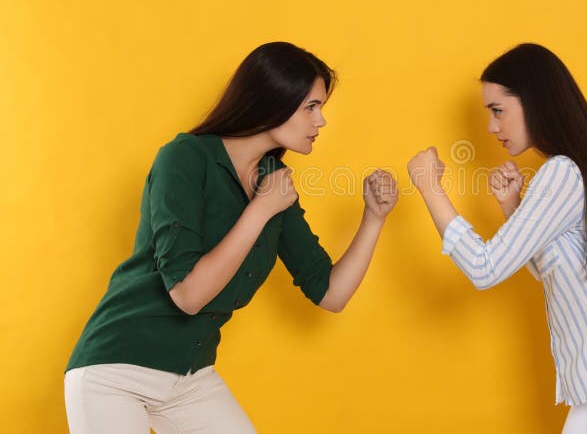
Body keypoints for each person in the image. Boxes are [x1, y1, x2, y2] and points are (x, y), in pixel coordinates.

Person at [64, 41, 398, 433]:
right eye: (311, 107)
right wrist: (260, 210)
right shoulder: (185, 158)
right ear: (273, 100)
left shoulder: (275, 184)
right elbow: (187, 295)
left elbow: (331, 294)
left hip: (189, 378)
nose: (321, 121)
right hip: (116, 369)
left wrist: (374, 219)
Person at [407, 43, 587, 434]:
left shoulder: (564, 172)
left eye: (498, 111)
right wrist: (513, 206)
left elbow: (485, 268)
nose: (491, 127)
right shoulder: (575, 168)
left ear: (535, 102)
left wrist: (431, 189)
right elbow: (555, 269)